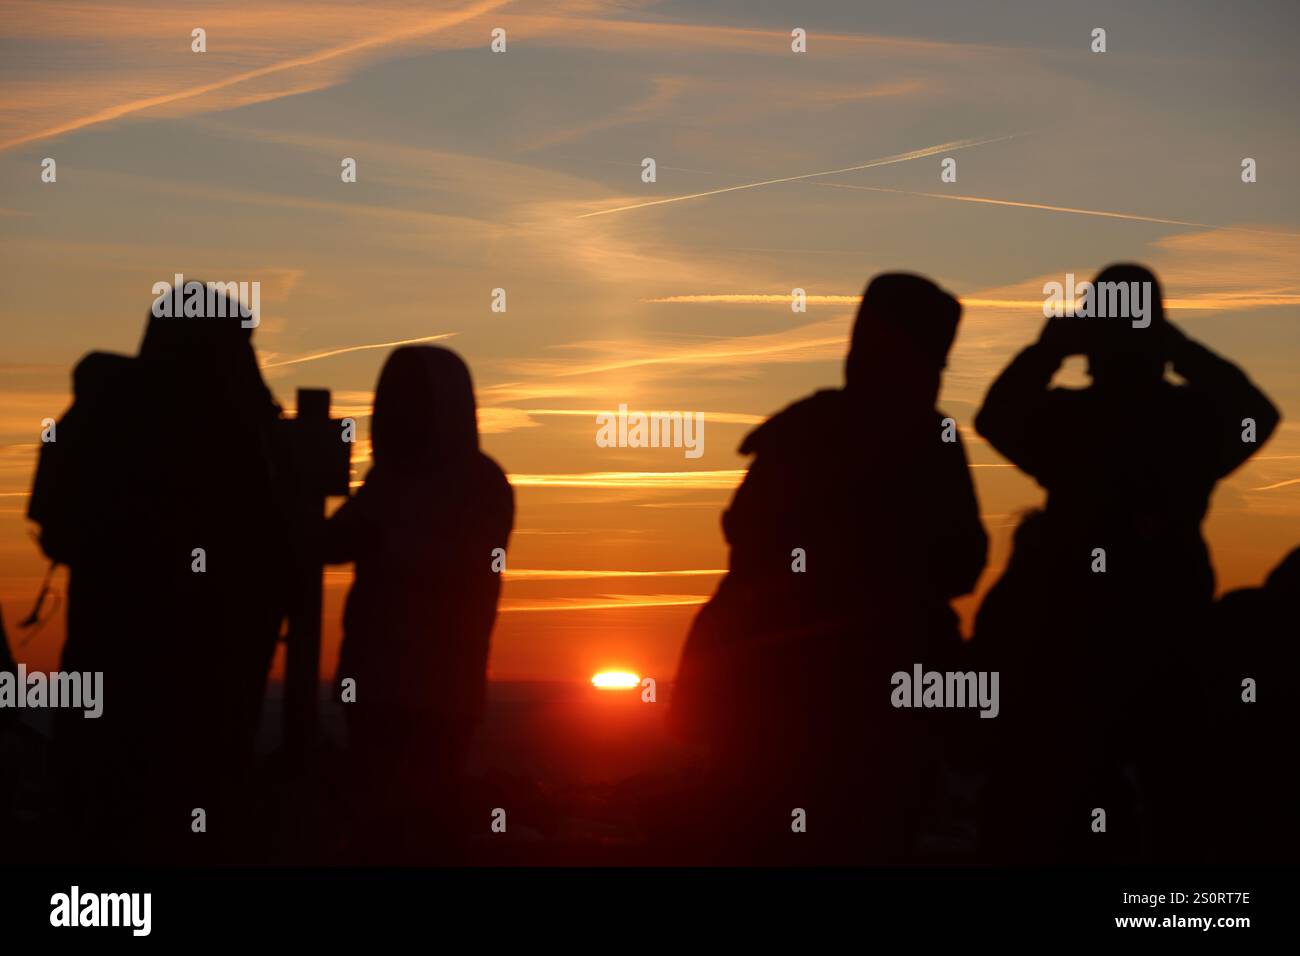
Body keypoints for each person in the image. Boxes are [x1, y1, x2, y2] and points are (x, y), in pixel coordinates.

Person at [670, 273, 987, 863]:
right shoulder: (925, 437)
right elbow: (963, 561)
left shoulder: (804, 430)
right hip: (858, 699)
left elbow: (744, 533)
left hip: (781, 690)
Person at [972, 263, 1279, 862]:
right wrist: (1182, 350)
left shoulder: (1069, 423)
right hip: (1169, 632)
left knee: (1078, 797)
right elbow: (1257, 413)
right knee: (1175, 802)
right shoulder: (1190, 422)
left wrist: (1048, 349)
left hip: (1076, 643)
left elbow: (996, 416)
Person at [27, 286, 290, 862]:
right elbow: (271, 529)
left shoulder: (109, 406)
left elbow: (54, 519)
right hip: (205, 659)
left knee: (103, 790)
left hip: (108, 642)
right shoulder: (232, 417)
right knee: (190, 793)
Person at [324, 345, 513, 862]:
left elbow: (413, 552)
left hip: (436, 693)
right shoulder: (397, 480)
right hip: (381, 685)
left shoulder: (476, 484)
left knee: (419, 824)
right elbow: (335, 542)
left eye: (410, 402)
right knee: (381, 824)